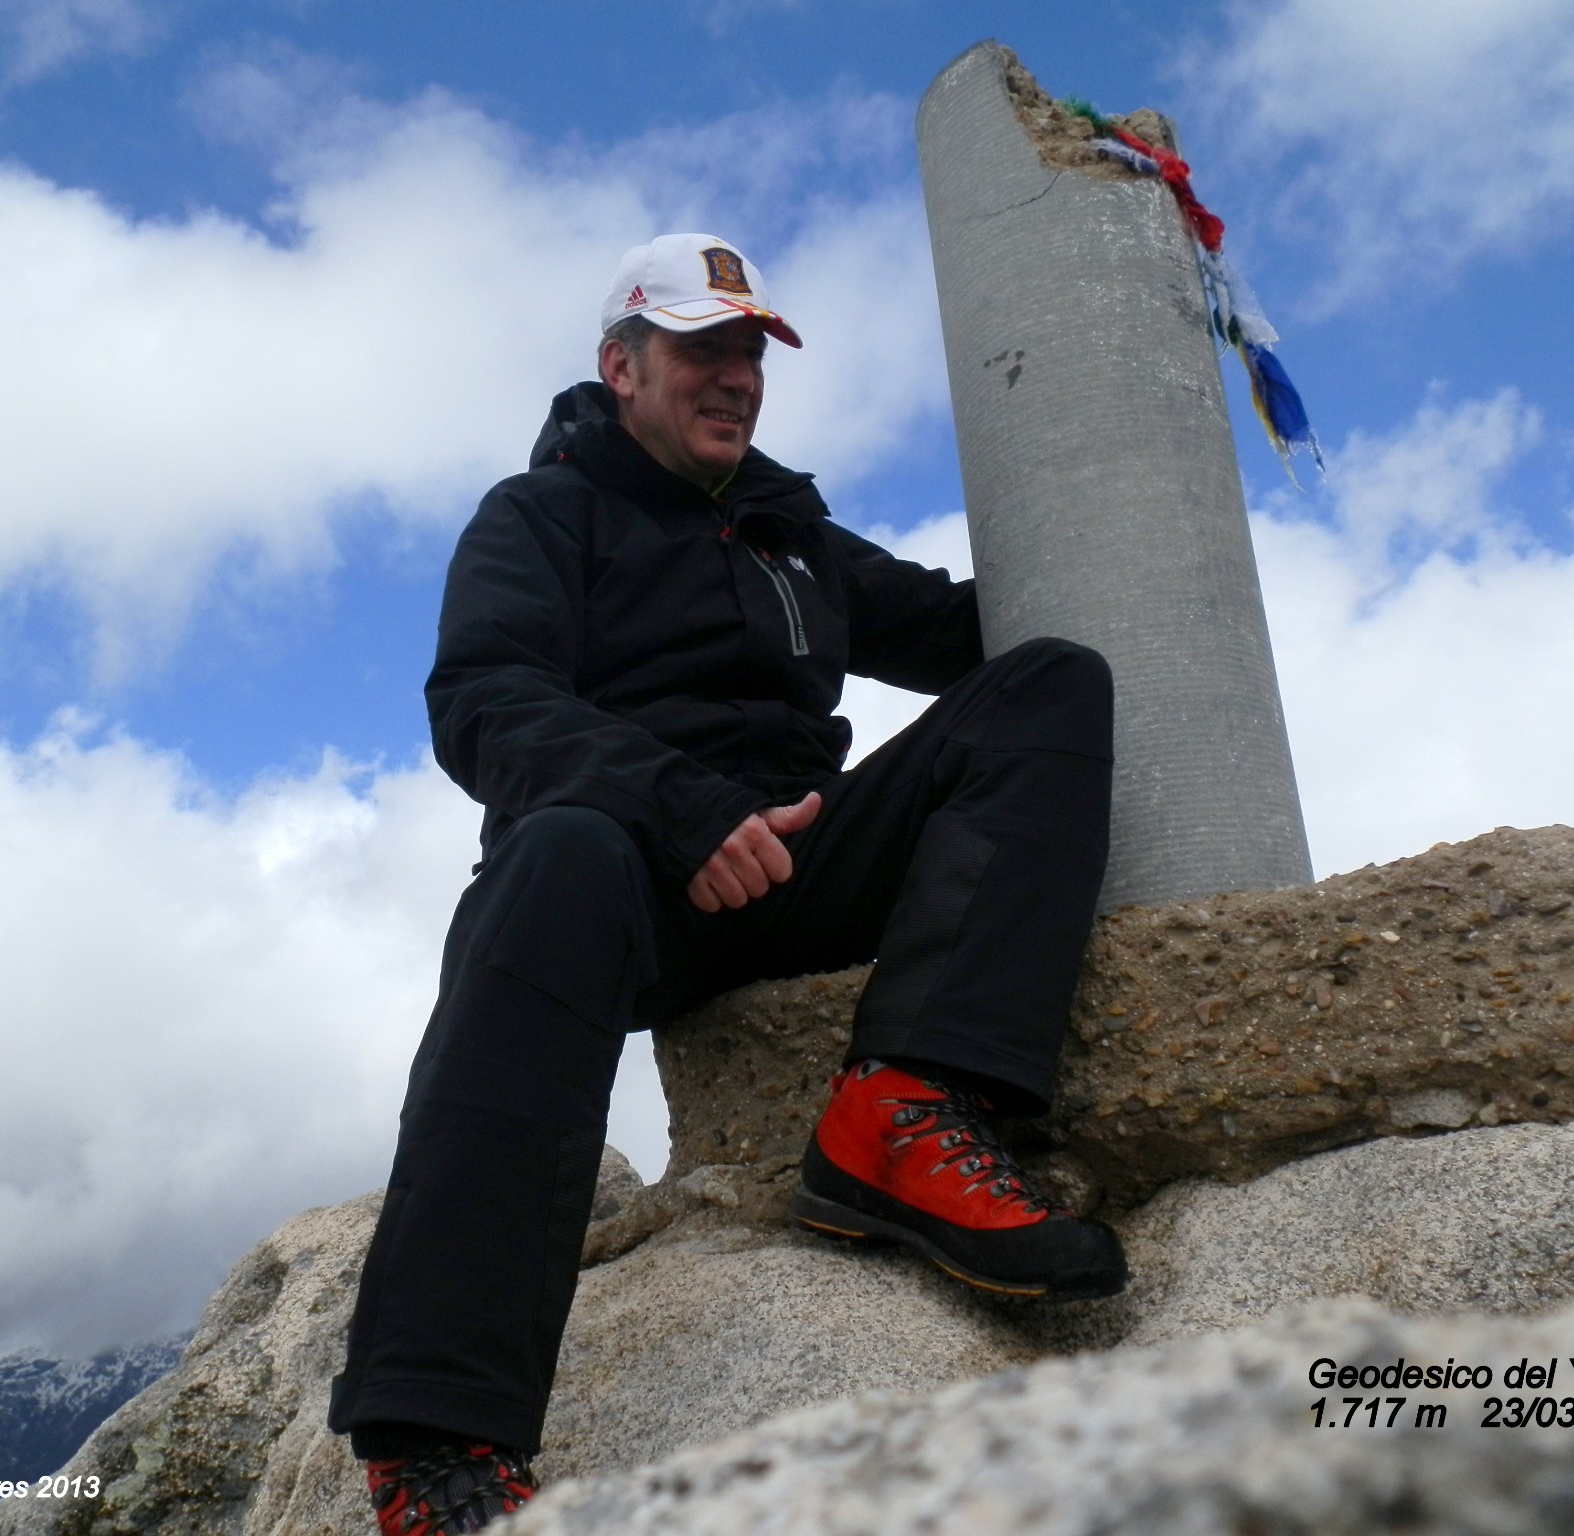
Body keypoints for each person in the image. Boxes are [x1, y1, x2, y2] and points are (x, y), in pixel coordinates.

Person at [329, 233, 1128, 1536]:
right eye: (703, 345)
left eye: (750, 350)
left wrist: (1129, 536)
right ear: (621, 365)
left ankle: (903, 1114)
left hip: (802, 864)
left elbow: (965, 630)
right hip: (624, 882)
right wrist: (678, 805)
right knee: (560, 848)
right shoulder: (540, 515)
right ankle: (439, 1446)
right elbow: (484, 704)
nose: (736, 376)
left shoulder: (788, 528)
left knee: (1051, 685)